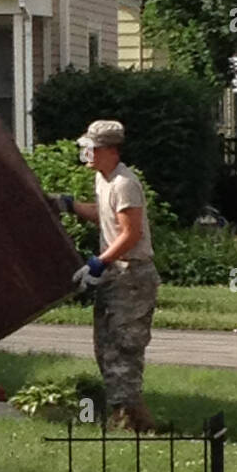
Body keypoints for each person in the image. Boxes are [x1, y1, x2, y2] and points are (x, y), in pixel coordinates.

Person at [50, 119, 160, 431]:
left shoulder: (125, 183)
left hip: (133, 275)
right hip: (115, 273)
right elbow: (104, 216)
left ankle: (131, 419)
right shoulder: (104, 180)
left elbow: (131, 234)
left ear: (111, 150)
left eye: (92, 149)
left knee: (124, 347)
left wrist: (99, 262)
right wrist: (69, 205)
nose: (87, 154)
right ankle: (124, 413)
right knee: (105, 347)